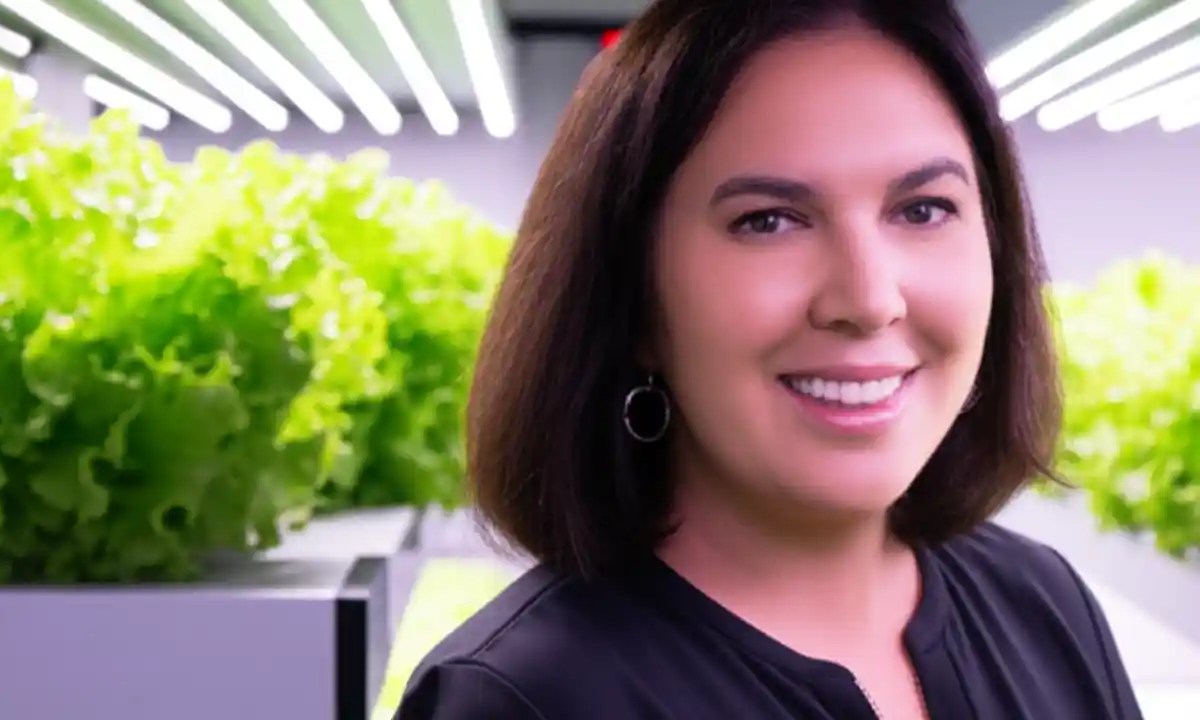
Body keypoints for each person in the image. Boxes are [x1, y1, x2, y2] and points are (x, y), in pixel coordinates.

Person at [396, 0, 1145, 717]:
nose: (868, 296)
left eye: (922, 209)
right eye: (769, 221)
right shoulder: (526, 699)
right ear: (632, 299)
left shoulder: (1040, 604)